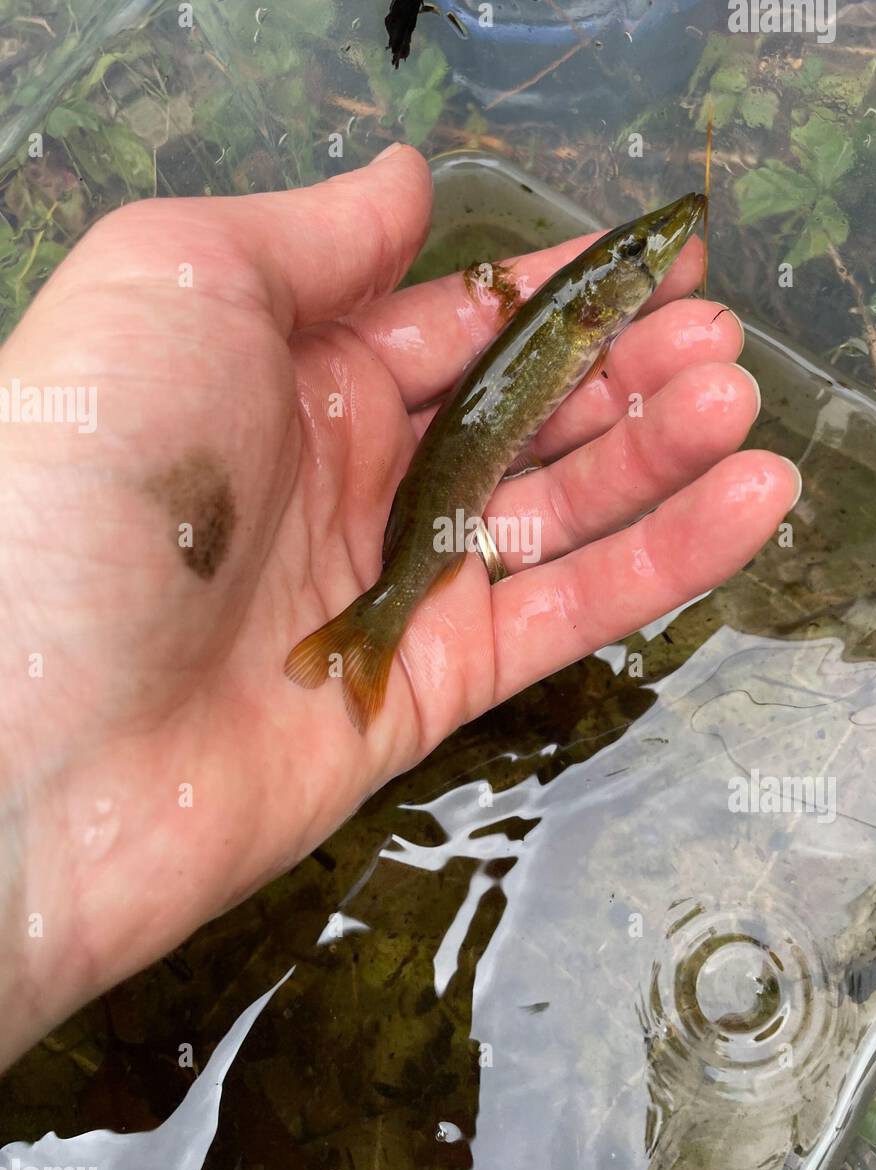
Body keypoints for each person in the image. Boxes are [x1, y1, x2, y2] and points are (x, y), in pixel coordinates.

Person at [0, 143, 800, 1072]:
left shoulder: (586, 318)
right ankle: (374, 630)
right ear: (601, 301)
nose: (649, 261)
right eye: (636, 260)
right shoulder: (584, 312)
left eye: (641, 257)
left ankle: (375, 628)